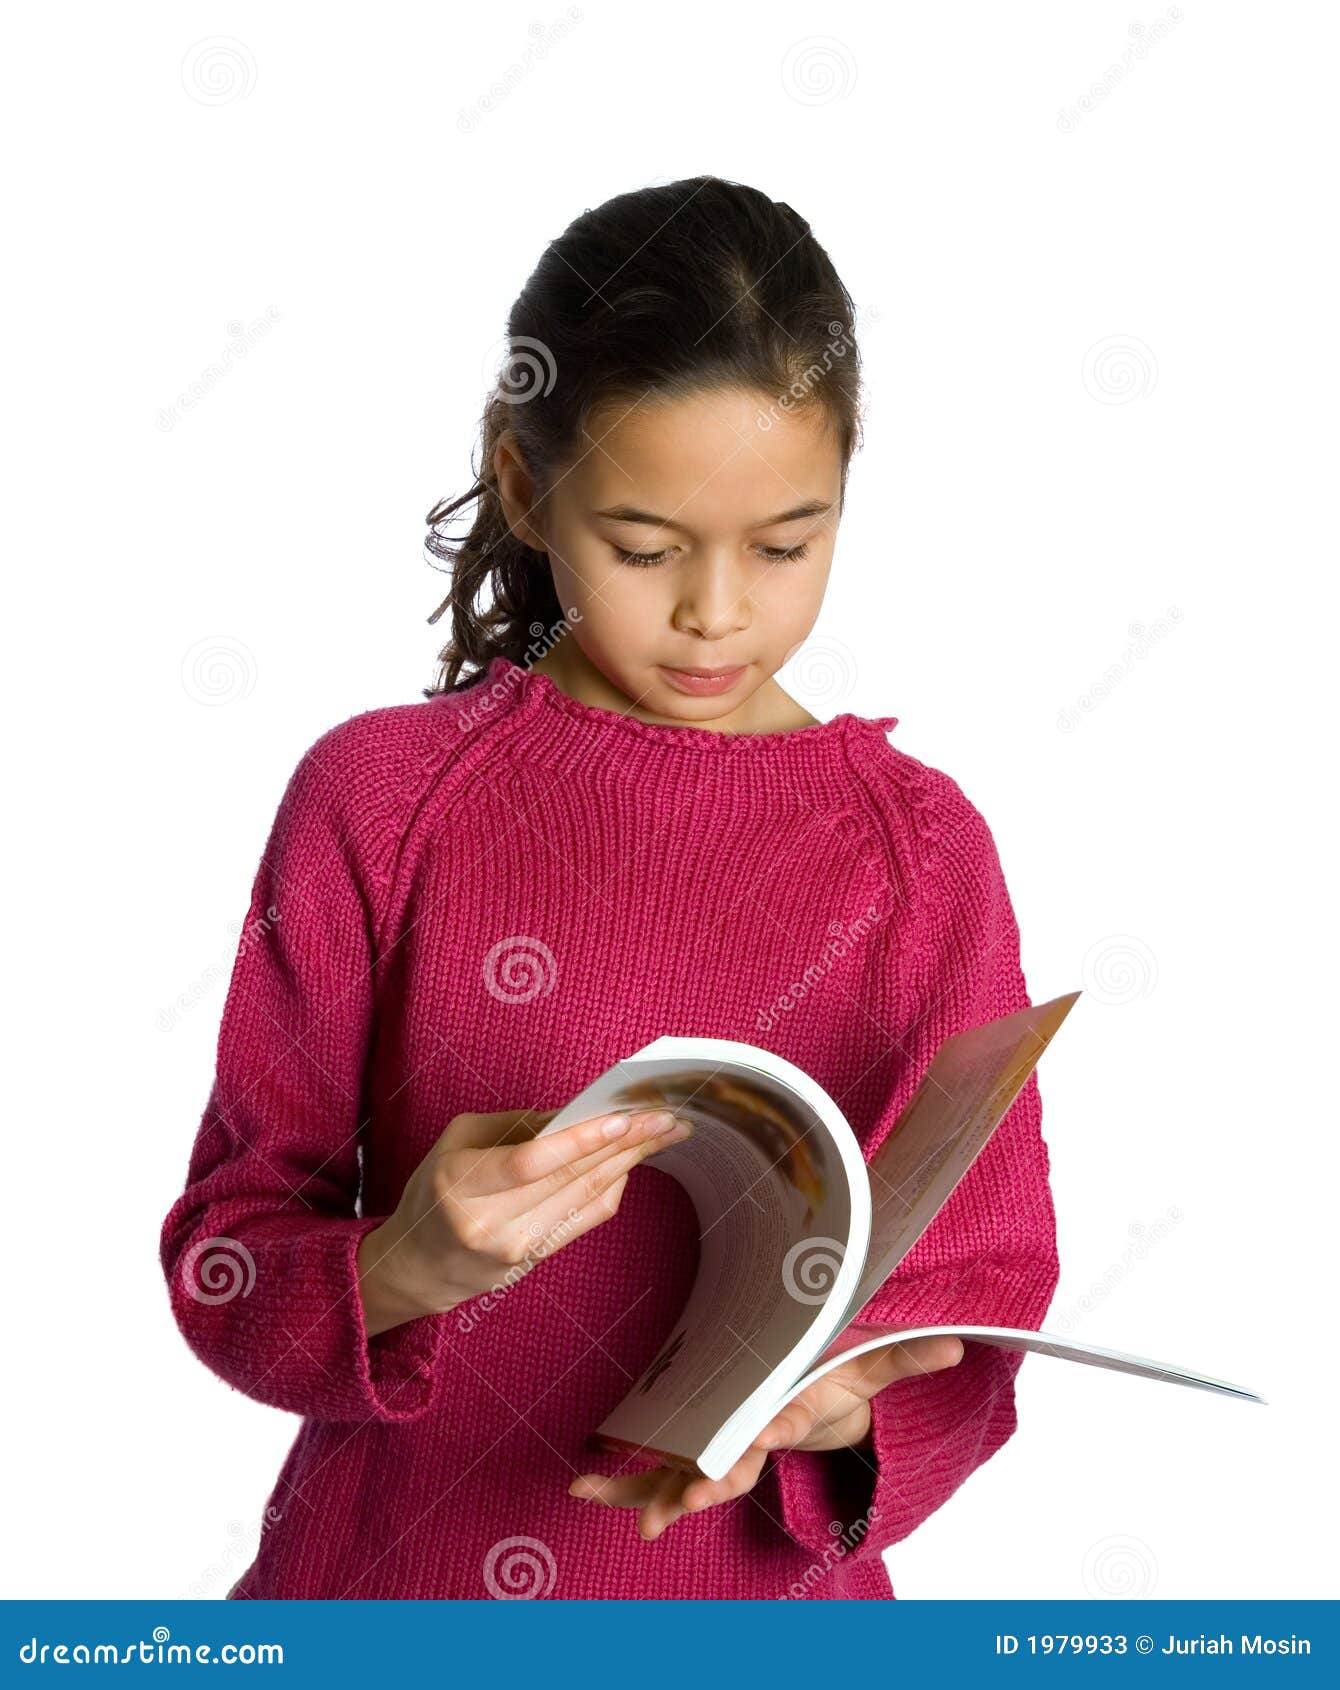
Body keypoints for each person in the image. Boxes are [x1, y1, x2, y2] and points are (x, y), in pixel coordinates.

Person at [159, 175, 1060, 1600]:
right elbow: (230, 1260)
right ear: (528, 486)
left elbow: (983, 1308)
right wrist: (396, 1268)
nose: (716, 612)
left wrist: (852, 1410)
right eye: (645, 548)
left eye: (786, 544)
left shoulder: (923, 854)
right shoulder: (383, 801)